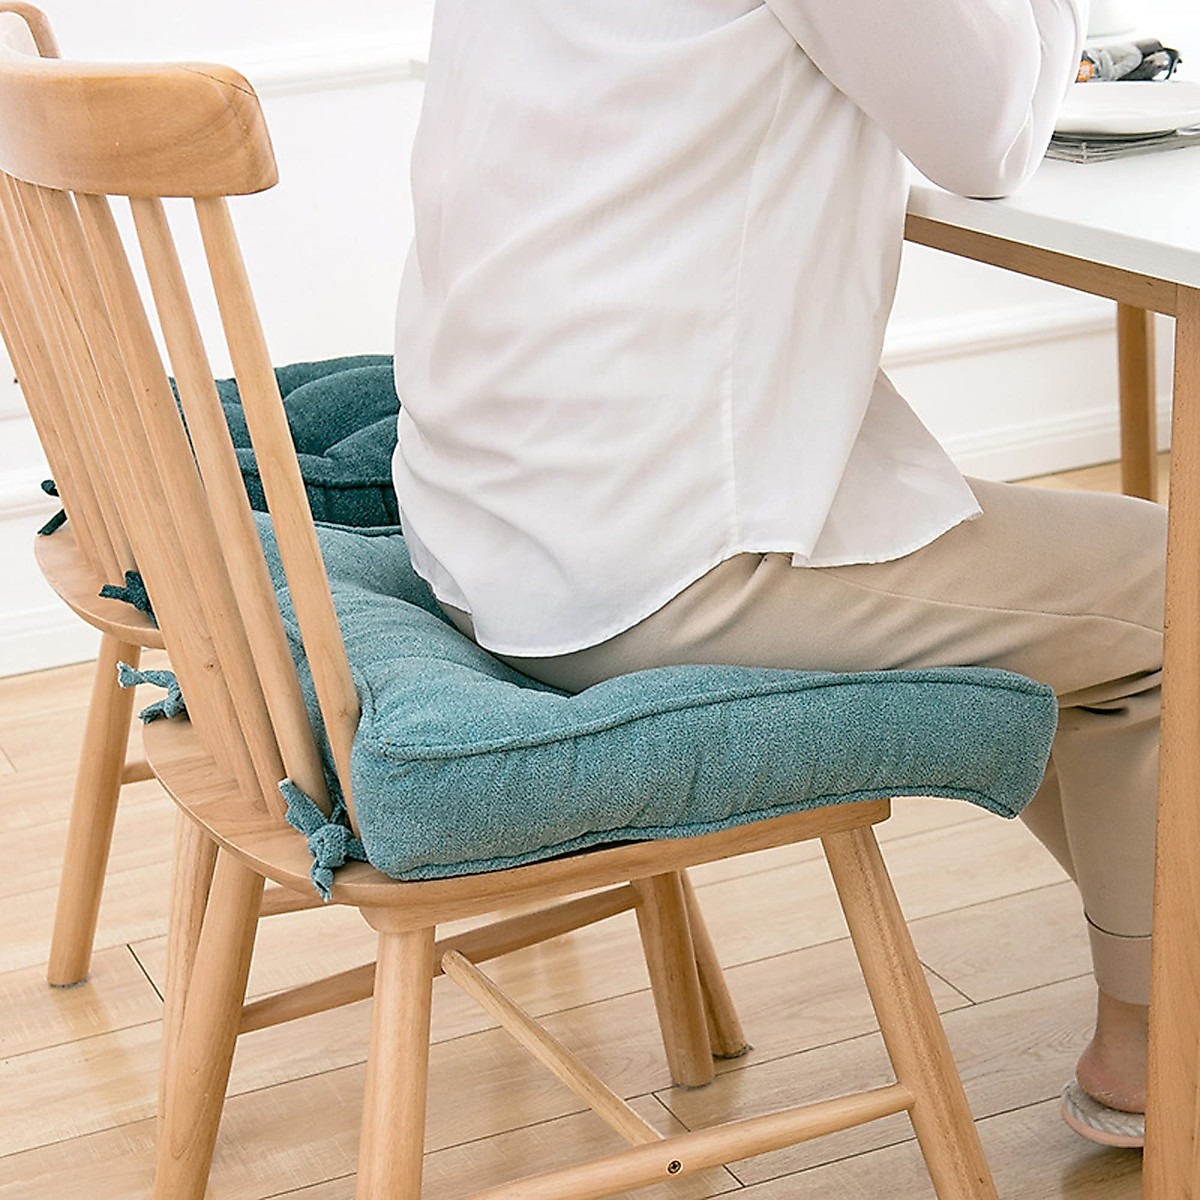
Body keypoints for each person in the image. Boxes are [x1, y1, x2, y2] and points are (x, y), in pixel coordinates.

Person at [393, 0, 1160, 1149]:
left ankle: (1158, 953)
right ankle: (1153, 1048)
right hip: (646, 558)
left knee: (1080, 604)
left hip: (490, 520)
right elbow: (990, 140)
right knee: (1164, 594)